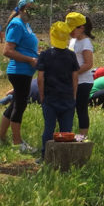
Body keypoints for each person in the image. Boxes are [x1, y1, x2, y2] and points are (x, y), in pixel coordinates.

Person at [0, 0, 40, 153]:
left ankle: (0, 139)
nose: (33, 10)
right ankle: (17, 142)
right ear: (22, 8)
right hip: (19, 71)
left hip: (25, 71)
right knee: (20, 105)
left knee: (15, 103)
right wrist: (30, 59)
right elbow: (7, 51)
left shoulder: (26, 25)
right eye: (30, 7)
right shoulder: (16, 24)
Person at [37, 21, 79, 151]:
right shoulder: (71, 55)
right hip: (67, 98)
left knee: (49, 129)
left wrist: (42, 96)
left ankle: (46, 155)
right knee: (66, 131)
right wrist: (73, 96)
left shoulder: (45, 55)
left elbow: (40, 78)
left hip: (50, 97)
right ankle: (64, 157)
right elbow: (75, 78)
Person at [66, 12, 94, 138]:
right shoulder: (72, 40)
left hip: (83, 82)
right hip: (72, 80)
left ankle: (83, 137)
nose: (70, 31)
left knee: (81, 109)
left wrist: (74, 72)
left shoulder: (86, 43)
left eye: (72, 29)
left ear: (81, 28)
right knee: (69, 108)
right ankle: (68, 134)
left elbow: (88, 64)